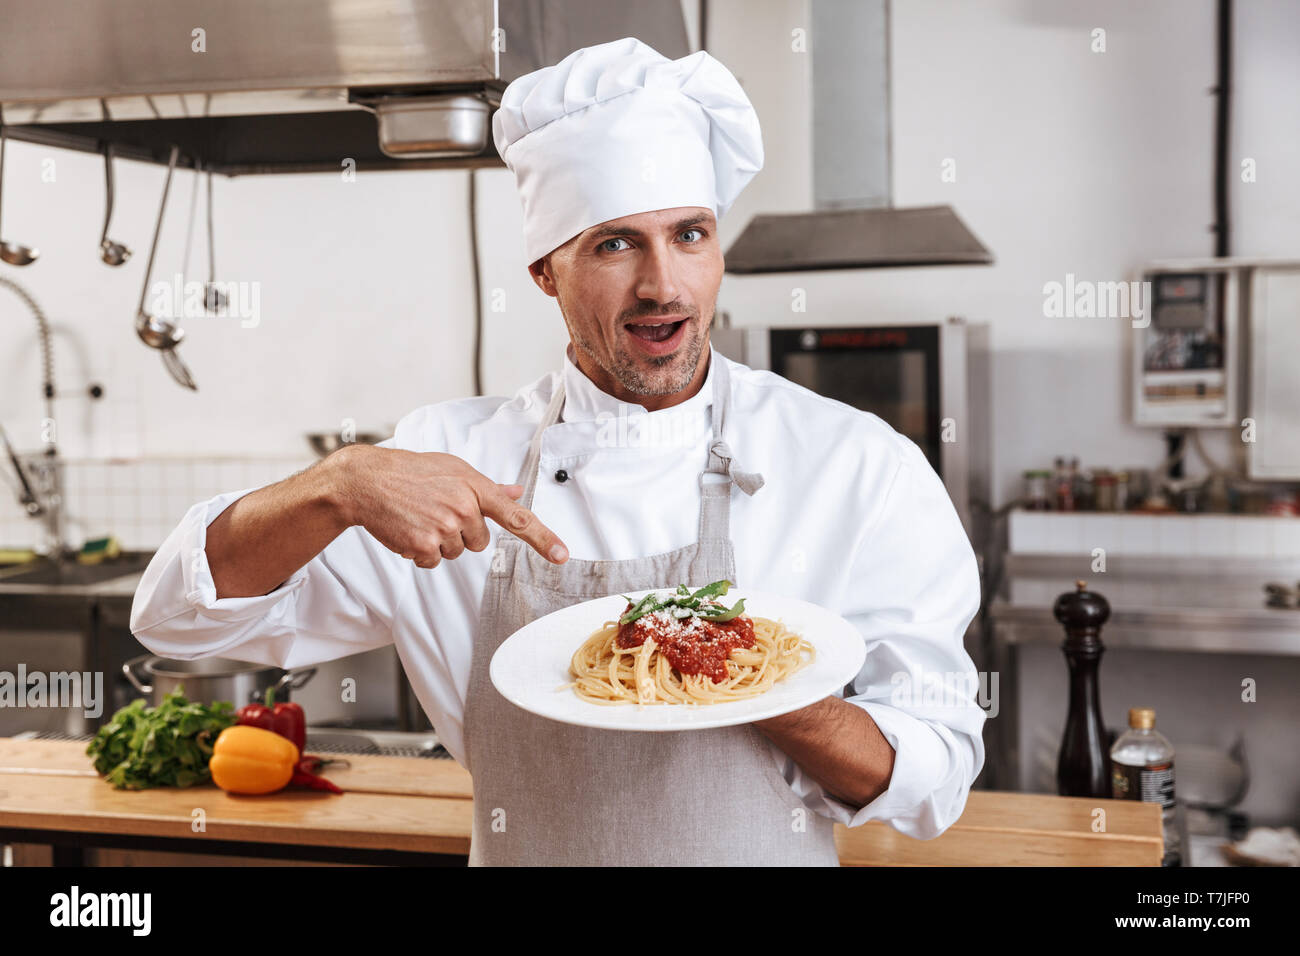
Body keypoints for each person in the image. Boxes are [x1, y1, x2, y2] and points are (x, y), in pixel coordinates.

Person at [131, 36, 985, 866]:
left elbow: (934, 779)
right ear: (545, 269)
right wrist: (336, 484)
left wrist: (756, 683)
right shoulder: (448, 458)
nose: (663, 285)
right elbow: (175, 616)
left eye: (690, 234)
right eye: (615, 243)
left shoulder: (855, 463)